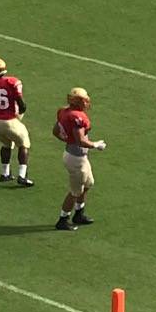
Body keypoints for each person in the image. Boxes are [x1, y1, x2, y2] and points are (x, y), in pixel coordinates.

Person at [53, 90, 104, 231]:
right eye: (84, 100)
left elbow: (55, 131)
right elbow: (80, 140)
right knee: (75, 191)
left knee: (88, 183)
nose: (87, 102)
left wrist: (67, 140)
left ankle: (79, 213)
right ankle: (62, 220)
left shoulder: (64, 112)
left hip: (78, 156)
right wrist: (95, 145)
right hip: (76, 159)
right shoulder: (76, 116)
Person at [0, 57, 33, 186]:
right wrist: (19, 116)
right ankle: (22, 175)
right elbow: (22, 105)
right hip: (8, 121)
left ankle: (5, 173)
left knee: (6, 144)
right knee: (23, 143)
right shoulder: (11, 82)